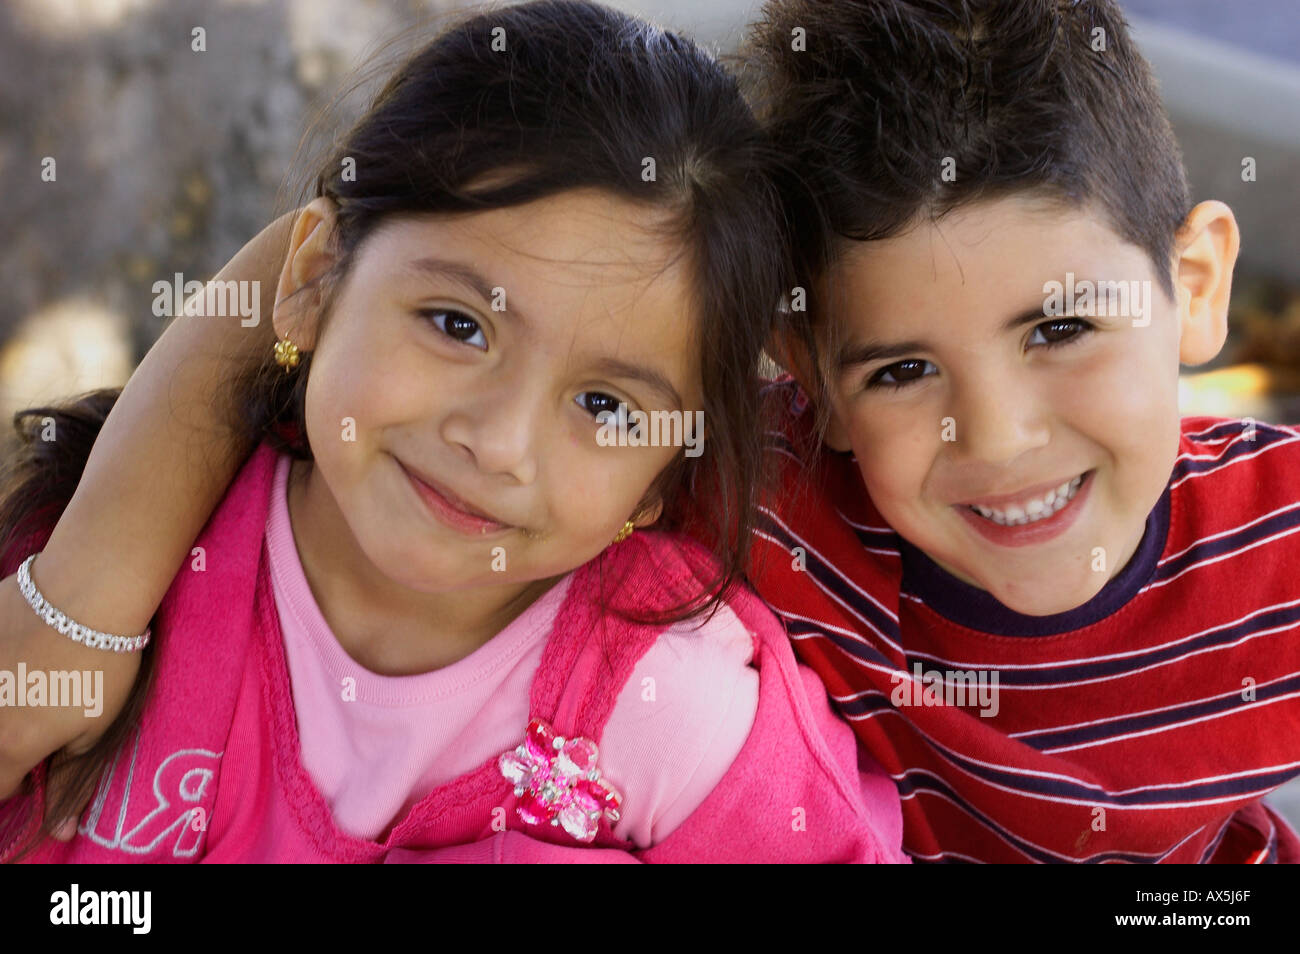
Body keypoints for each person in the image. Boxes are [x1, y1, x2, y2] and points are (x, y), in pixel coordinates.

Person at [0, 0, 904, 863]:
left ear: (665, 476)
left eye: (605, 408)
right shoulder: (124, 561)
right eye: (458, 325)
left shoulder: (666, 710)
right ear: (314, 277)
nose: (498, 441)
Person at [744, 0, 1300, 861]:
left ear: (1193, 286)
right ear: (814, 378)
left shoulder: (1283, 537)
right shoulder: (765, 513)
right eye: (902, 372)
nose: (997, 439)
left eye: (1061, 330)